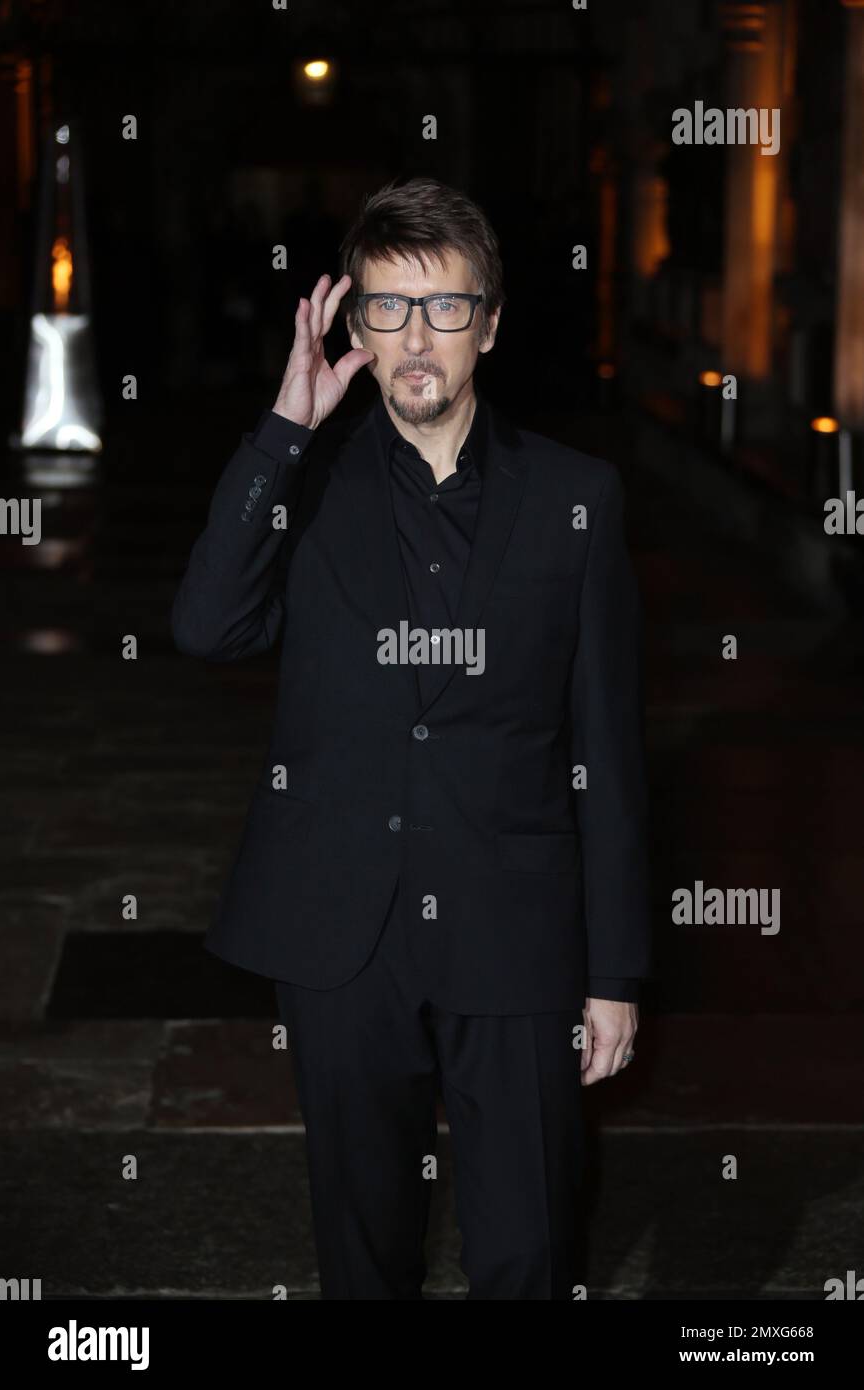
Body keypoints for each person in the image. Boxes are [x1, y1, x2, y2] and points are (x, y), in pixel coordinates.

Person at [172, 176, 652, 1300]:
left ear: (490, 323)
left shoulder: (576, 499)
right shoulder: (309, 484)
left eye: (443, 308)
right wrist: (284, 429)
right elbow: (204, 626)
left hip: (516, 927)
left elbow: (608, 747)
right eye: (386, 308)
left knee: (527, 1245)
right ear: (352, 327)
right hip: (343, 928)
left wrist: (615, 967)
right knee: (363, 1249)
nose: (415, 338)